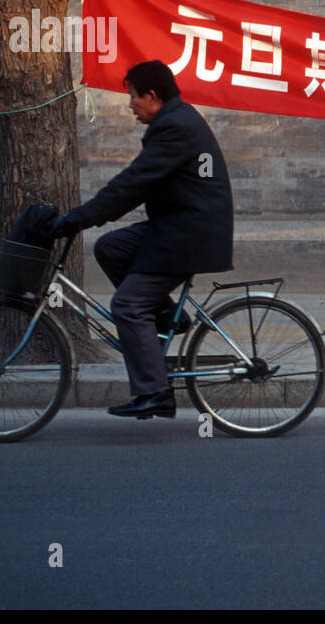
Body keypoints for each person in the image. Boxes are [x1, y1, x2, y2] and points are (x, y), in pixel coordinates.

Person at [51, 60, 234, 420]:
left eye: (133, 96)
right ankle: (167, 316)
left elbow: (132, 183)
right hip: (178, 226)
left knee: (128, 306)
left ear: (152, 96)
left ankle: (154, 392)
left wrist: (78, 218)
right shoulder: (174, 122)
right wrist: (86, 218)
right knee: (110, 247)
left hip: (189, 235)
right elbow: (137, 184)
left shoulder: (175, 128)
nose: (130, 104)